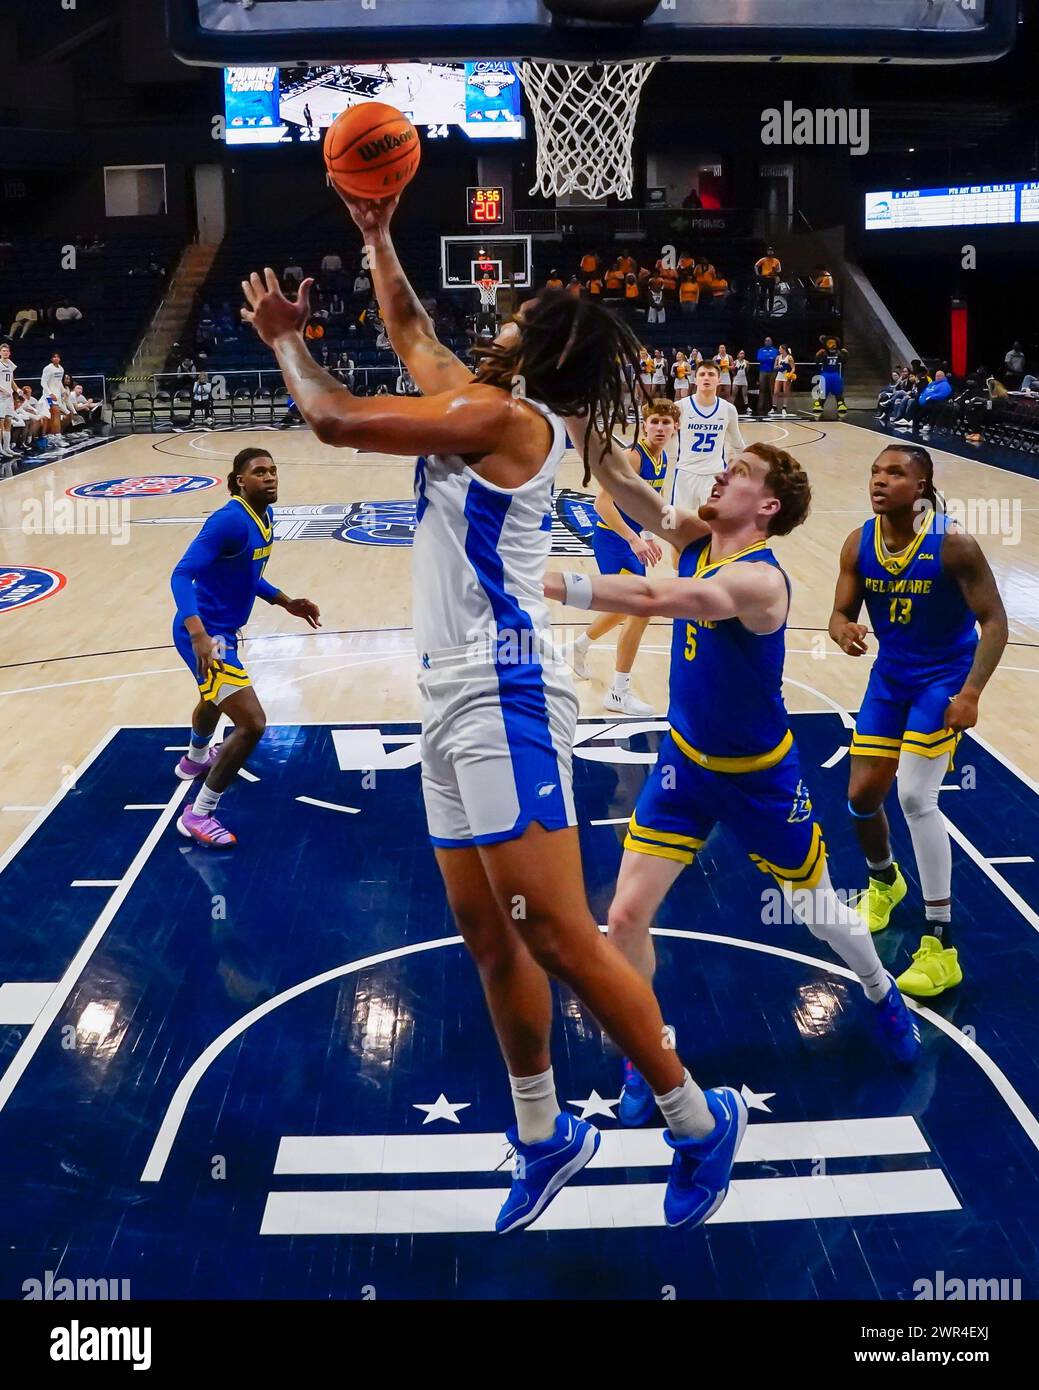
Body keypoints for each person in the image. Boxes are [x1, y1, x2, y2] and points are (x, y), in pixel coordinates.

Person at [240, 198, 749, 1234]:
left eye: (514, 323)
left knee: (557, 930)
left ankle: (697, 1119)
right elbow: (412, 335)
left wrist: (289, 344)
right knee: (490, 933)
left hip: (503, 686)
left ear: (544, 350)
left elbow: (334, 419)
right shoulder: (481, 400)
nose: (493, 328)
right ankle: (543, 1132)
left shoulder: (508, 421)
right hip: (447, 692)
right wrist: (377, 235)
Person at [546, 443, 922, 1124]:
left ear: (767, 507)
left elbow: (661, 597)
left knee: (818, 916)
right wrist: (578, 410)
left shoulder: (761, 583)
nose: (720, 474)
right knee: (625, 917)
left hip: (759, 781)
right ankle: (647, 1050)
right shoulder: (695, 537)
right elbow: (619, 479)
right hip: (684, 767)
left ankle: (878, 989)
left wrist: (550, 583)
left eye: (739, 473)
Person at [828, 443, 1008, 997]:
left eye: (895, 473)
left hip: (944, 678)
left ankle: (940, 945)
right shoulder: (859, 542)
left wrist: (973, 692)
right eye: (875, 470)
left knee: (915, 798)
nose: (880, 481)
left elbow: (995, 621)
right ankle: (886, 881)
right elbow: (840, 611)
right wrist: (842, 628)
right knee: (861, 797)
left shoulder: (953, 544)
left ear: (923, 487)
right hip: (891, 676)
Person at [170, 448, 321, 847]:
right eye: (259, 472)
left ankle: (195, 759)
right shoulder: (229, 521)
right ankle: (198, 815)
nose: (270, 477)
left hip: (223, 631)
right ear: (238, 479)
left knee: (214, 698)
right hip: (208, 635)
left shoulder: (263, 517)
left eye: (273, 470)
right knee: (252, 723)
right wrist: (198, 632)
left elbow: (245, 575)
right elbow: (181, 574)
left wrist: (284, 600)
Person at [568, 399, 678, 715]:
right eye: (654, 422)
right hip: (612, 540)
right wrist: (633, 539)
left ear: (675, 428)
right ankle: (618, 692)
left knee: (624, 609)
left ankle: (579, 647)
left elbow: (641, 503)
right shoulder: (633, 456)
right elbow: (602, 504)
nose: (659, 428)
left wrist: (646, 534)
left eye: (665, 423)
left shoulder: (663, 458)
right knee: (641, 608)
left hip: (629, 541)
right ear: (644, 425)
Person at [671, 360, 745, 521]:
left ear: (719, 380)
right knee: (679, 528)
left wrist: (750, 469)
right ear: (695, 379)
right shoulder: (680, 407)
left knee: (715, 527)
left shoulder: (728, 409)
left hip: (715, 475)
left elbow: (738, 443)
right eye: (702, 374)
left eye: (711, 374)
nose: (706, 378)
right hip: (686, 474)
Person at [814, 336, 848, 415]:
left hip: (835, 374)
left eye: (833, 343)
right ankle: (819, 404)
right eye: (829, 343)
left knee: (838, 390)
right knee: (823, 391)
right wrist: (817, 355)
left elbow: (844, 361)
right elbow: (816, 362)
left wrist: (846, 354)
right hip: (826, 374)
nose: (832, 345)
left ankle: (840, 404)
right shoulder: (824, 353)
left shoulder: (838, 353)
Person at [753, 247, 782, 315]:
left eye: (771, 251)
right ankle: (761, 309)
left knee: (771, 295)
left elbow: (779, 270)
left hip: (772, 279)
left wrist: (775, 270)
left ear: (773, 252)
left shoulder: (776, 260)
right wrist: (758, 275)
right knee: (763, 294)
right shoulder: (763, 259)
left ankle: (771, 309)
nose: (770, 252)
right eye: (769, 251)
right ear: (767, 252)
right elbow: (756, 265)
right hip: (764, 278)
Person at [755, 336, 778, 418]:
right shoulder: (760, 350)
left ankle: (773, 407)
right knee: (762, 390)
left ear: (771, 342)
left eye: (769, 341)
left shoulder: (775, 350)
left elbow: (775, 358)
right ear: (764, 342)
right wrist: (769, 357)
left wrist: (767, 357)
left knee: (772, 390)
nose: (767, 342)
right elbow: (760, 358)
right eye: (766, 341)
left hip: (772, 372)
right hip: (763, 371)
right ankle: (760, 408)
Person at [0, 343, 16, 461]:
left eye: (7, 351)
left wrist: (18, 389)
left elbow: (11, 380)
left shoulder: (10, 364)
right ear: (0, 352)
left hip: (9, 396)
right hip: (1, 397)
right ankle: (0, 449)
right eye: (3, 351)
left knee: (8, 421)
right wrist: (3, 390)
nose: (5, 352)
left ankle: (7, 447)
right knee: (0, 423)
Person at [772, 345, 795, 416]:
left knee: (785, 392)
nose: (779, 350)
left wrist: (790, 375)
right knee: (775, 392)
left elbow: (793, 368)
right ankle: (774, 408)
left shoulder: (789, 357)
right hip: (779, 375)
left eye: (780, 348)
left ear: (784, 349)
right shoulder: (778, 357)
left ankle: (784, 408)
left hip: (786, 376)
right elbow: (774, 367)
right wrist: (778, 367)